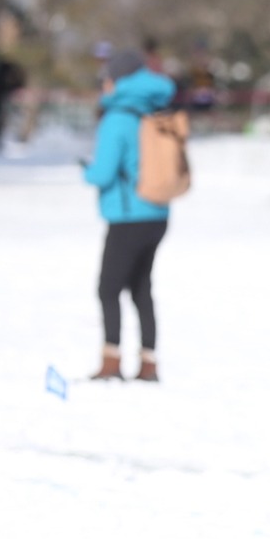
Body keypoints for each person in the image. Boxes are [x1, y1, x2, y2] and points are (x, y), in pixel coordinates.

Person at [82, 50, 179, 383]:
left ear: (117, 80)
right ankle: (149, 363)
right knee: (141, 288)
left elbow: (103, 173)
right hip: (158, 212)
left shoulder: (118, 117)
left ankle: (111, 362)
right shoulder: (155, 107)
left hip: (127, 215)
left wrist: (87, 171)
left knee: (108, 288)